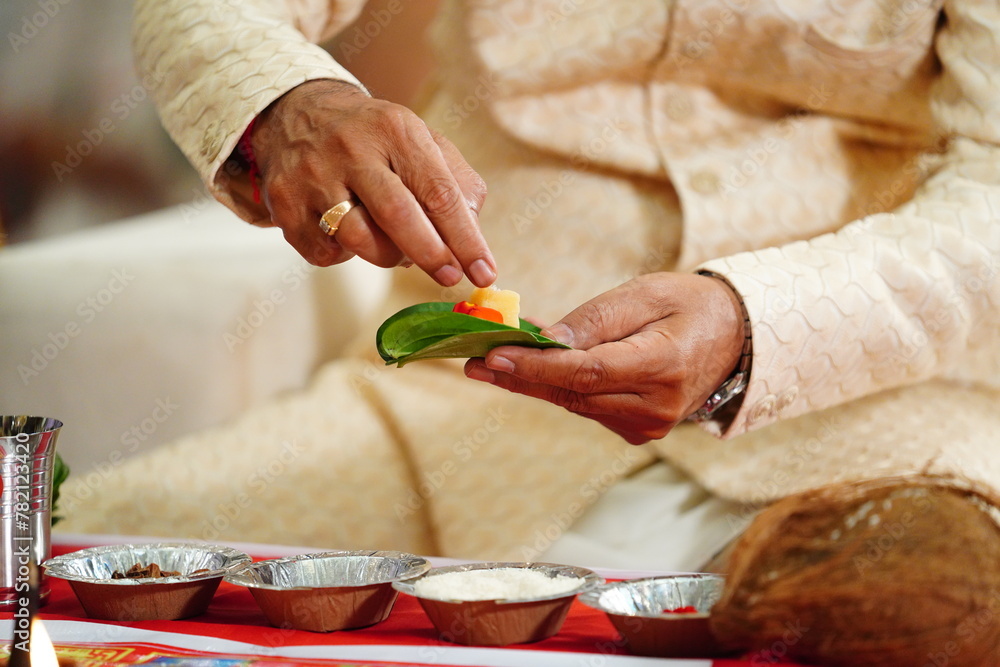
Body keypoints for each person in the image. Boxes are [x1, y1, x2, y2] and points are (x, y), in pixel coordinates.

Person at [60, 0, 1000, 656]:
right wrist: (289, 101)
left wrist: (755, 322)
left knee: (920, 612)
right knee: (59, 568)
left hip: (884, 411)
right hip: (451, 409)